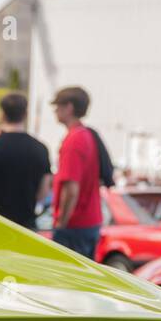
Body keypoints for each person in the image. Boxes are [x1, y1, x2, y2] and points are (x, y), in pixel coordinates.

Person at [0, 92, 50, 230]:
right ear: (25, 114)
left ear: (2, 114)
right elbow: (43, 192)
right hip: (25, 226)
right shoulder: (40, 149)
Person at [49, 86, 103, 259]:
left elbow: (71, 188)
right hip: (89, 221)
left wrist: (61, 223)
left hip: (74, 225)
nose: (55, 111)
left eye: (57, 106)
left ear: (69, 107)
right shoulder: (87, 135)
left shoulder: (74, 140)